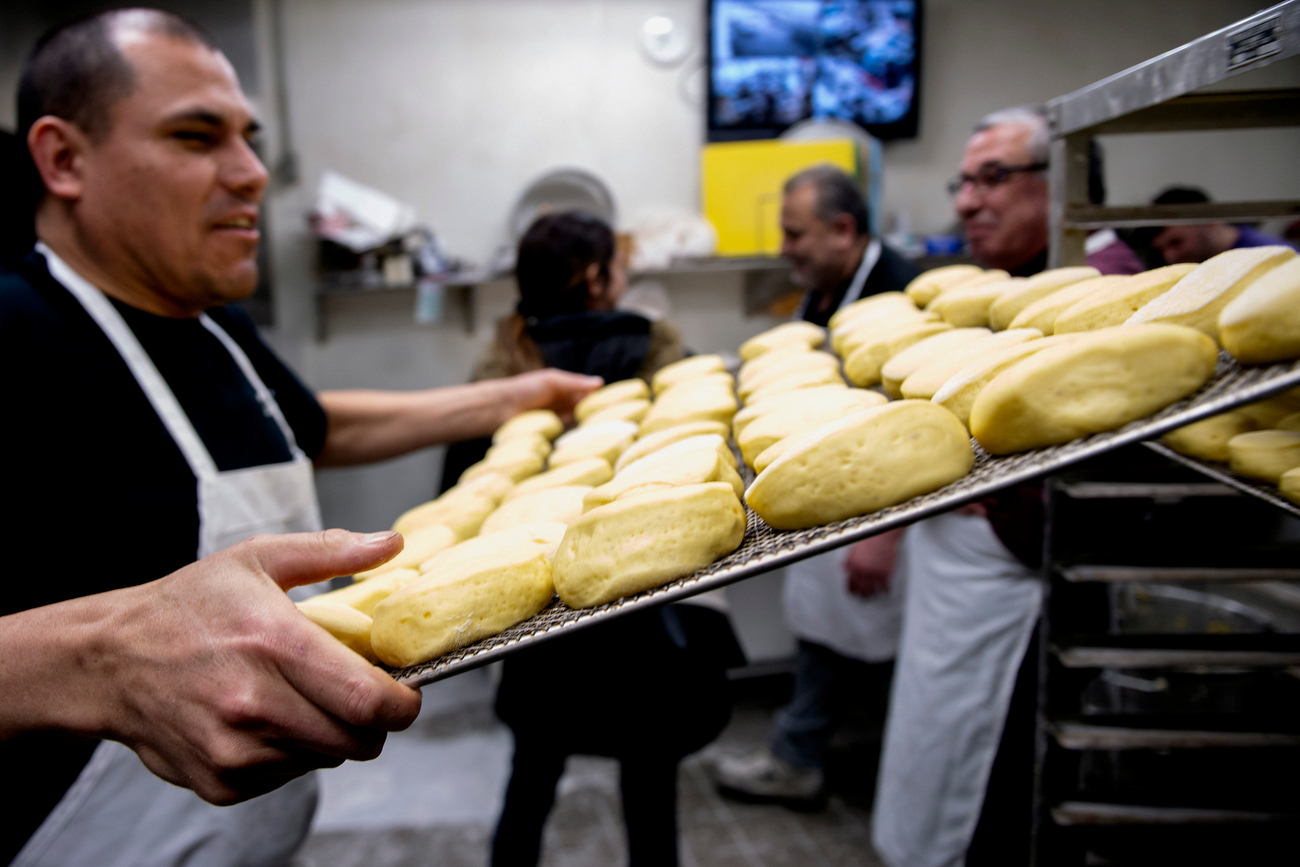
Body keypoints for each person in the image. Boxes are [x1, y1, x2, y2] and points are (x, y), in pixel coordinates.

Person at [1, 10, 598, 866]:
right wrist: (102, 660)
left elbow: (314, 424)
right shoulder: (17, 331)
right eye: (196, 136)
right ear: (64, 159)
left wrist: (516, 395)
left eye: (250, 139)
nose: (250, 175)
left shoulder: (207, 323)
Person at [470, 212, 743, 867]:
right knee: (649, 787)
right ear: (597, 279)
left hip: (538, 621)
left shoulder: (499, 367)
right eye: (617, 264)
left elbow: (468, 495)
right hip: (642, 615)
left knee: (531, 776)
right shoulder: (655, 350)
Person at [712, 165, 914, 807]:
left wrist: (888, 534)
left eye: (795, 234)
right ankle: (810, 751)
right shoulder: (822, 292)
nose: (784, 249)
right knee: (825, 623)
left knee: (885, 640)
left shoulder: (898, 296)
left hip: (888, 509)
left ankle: (860, 766)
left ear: (844, 230)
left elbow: (917, 428)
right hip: (836, 497)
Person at [952, 105, 1143, 276]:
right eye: (964, 182)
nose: (964, 204)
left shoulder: (1102, 287)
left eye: (993, 176)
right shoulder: (1030, 272)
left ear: (1066, 181)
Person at [1148, 186, 1299, 265]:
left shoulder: (1272, 256)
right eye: (1161, 249)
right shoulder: (1212, 262)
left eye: (1176, 242)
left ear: (1209, 220)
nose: (1170, 256)